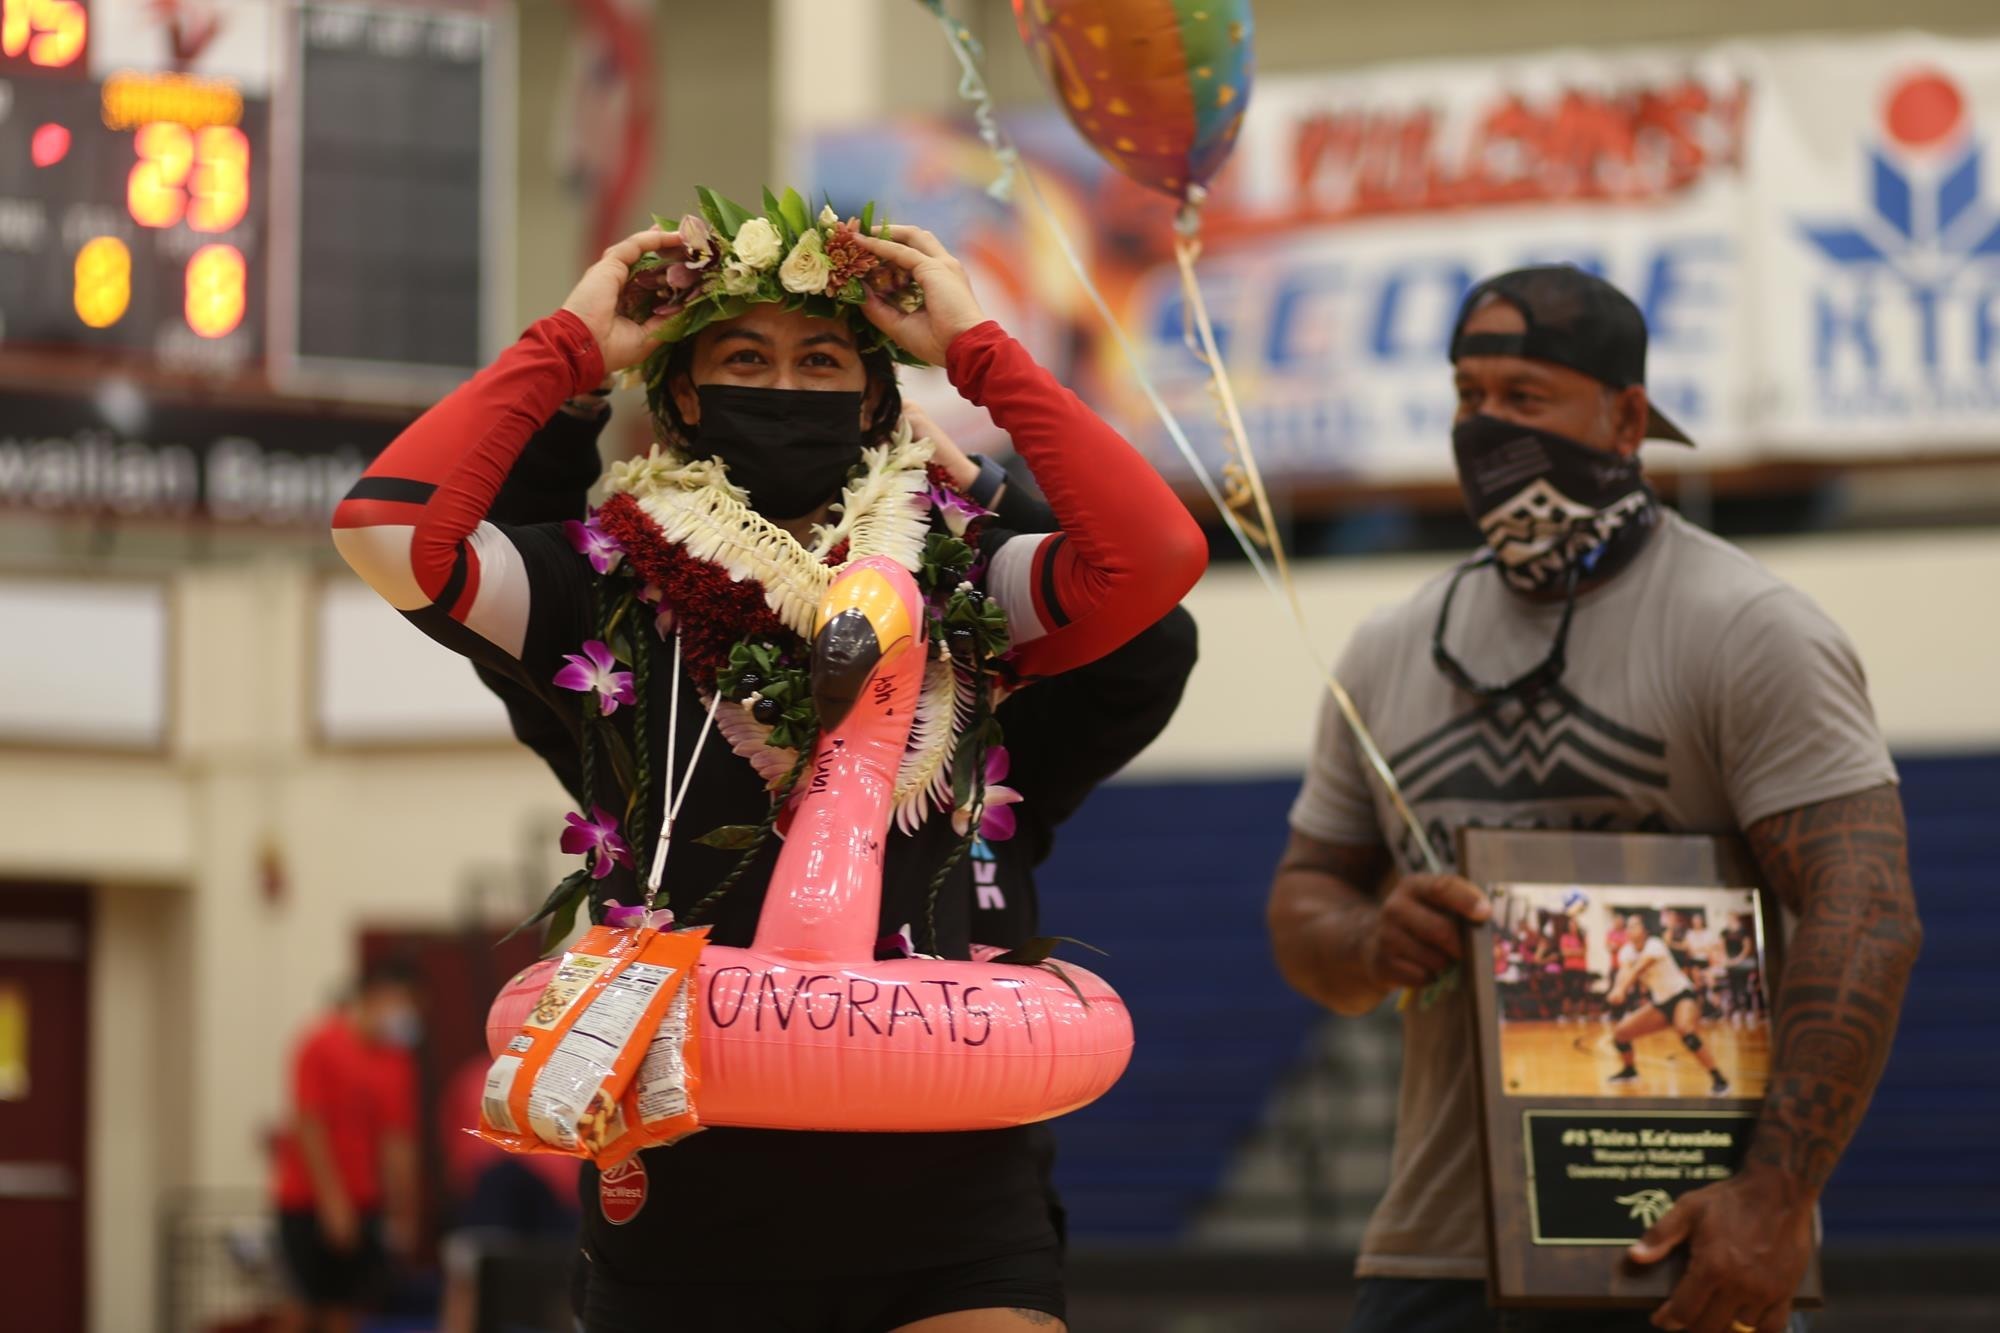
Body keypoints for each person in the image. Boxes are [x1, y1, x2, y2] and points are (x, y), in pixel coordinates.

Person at [334, 200, 1206, 1332]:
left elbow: (1156, 559)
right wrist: (569, 351)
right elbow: (387, 531)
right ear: (684, 395)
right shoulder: (599, 580)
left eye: (821, 359)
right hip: (688, 1193)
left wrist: (980, 357)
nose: (783, 387)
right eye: (744, 357)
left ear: (873, 398)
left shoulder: (960, 578)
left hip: (944, 1191)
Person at [1264, 266, 1921, 1333]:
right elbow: (1306, 901)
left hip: (1682, 1254)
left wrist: (1775, 1195)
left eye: (1523, 399)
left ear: (1624, 417)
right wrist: (1367, 937)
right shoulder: (1388, 647)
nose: (1484, 431)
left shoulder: (1749, 627)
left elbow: (1867, 911)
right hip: (1434, 1258)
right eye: (1467, 398)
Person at [270, 961, 422, 1333]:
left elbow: (397, 1143)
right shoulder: (321, 1044)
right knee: (301, 1307)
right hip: (306, 1202)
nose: (408, 1016)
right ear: (375, 998)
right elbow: (309, 1125)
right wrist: (332, 1202)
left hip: (364, 1203)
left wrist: (404, 1210)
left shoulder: (395, 1061)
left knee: (344, 1310)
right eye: (403, 1003)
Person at [1604, 913, 1728, 1095]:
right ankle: (1630, 1071)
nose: (1629, 930)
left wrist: (1621, 990)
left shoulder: (1655, 945)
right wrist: (1616, 988)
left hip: (1682, 996)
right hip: (1661, 1004)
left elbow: (1639, 969)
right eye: (1628, 927)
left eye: (1634, 926)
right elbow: (1624, 971)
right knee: (1621, 1033)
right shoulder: (1626, 951)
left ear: (1645, 930)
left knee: (1685, 1030)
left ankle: (1719, 1079)